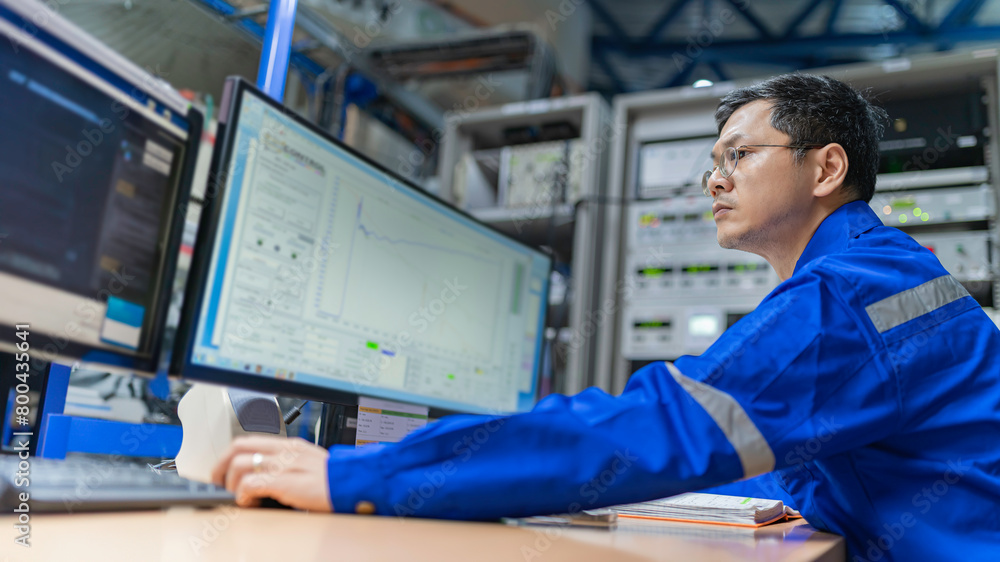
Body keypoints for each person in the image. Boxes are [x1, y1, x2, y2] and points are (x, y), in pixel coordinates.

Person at [211, 74, 1000, 560]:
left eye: (739, 155)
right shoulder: (883, 274)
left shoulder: (846, 299)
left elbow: (665, 430)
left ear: (827, 167)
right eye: (712, 161)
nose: (712, 180)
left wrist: (361, 474)